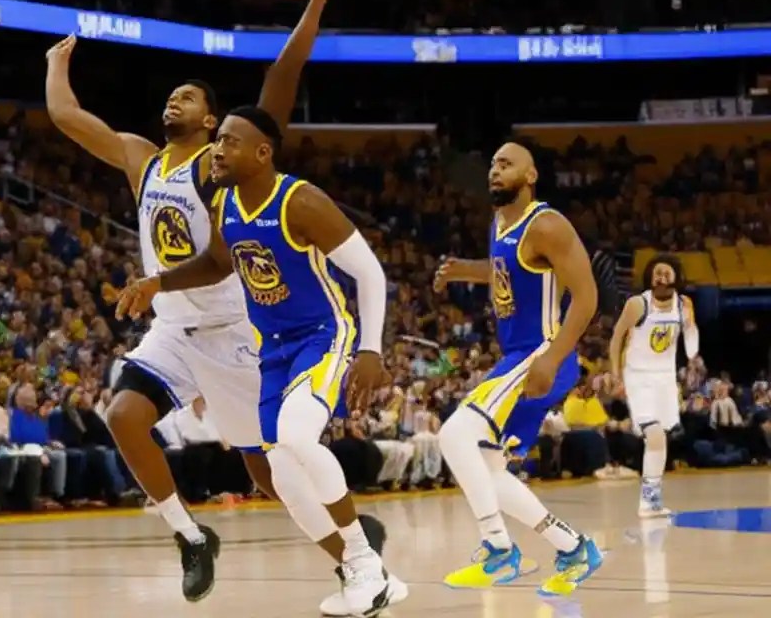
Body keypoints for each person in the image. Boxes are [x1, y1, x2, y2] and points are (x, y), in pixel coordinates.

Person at [46, 0, 388, 607]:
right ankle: (191, 535)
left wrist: (316, 2)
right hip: (173, 328)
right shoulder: (142, 158)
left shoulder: (219, 165)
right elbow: (67, 117)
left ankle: (351, 555)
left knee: (269, 473)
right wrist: (55, 64)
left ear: (212, 122)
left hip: (236, 328)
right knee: (121, 413)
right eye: (170, 96)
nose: (173, 102)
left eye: (188, 97)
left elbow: (277, 87)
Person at [115, 93, 407, 612]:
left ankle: (363, 563)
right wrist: (159, 282)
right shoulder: (225, 204)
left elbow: (369, 272)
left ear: (263, 152)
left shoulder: (302, 201)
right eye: (219, 138)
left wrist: (370, 347)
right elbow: (218, 264)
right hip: (271, 347)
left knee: (296, 435)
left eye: (230, 140)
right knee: (284, 480)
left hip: (323, 334)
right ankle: (367, 572)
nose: (219, 150)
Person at [433, 142, 603, 597]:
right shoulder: (500, 221)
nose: (494, 170)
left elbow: (587, 296)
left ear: (530, 176)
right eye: (491, 163)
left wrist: (551, 358)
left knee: (453, 435)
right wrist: (463, 270)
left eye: (505, 164)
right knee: (490, 469)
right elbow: (504, 270)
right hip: (521, 357)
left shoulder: (547, 224)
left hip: (542, 354)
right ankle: (574, 549)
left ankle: (499, 551)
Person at [608, 253, 698, 518]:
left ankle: (651, 500)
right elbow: (616, 338)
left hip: (665, 379)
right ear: (649, 277)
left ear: (676, 278)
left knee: (660, 441)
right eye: (657, 272)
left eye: (666, 273)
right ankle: (647, 502)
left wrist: (691, 326)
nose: (661, 277)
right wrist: (615, 373)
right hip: (639, 377)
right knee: (655, 435)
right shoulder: (637, 304)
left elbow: (691, 348)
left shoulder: (684, 305)